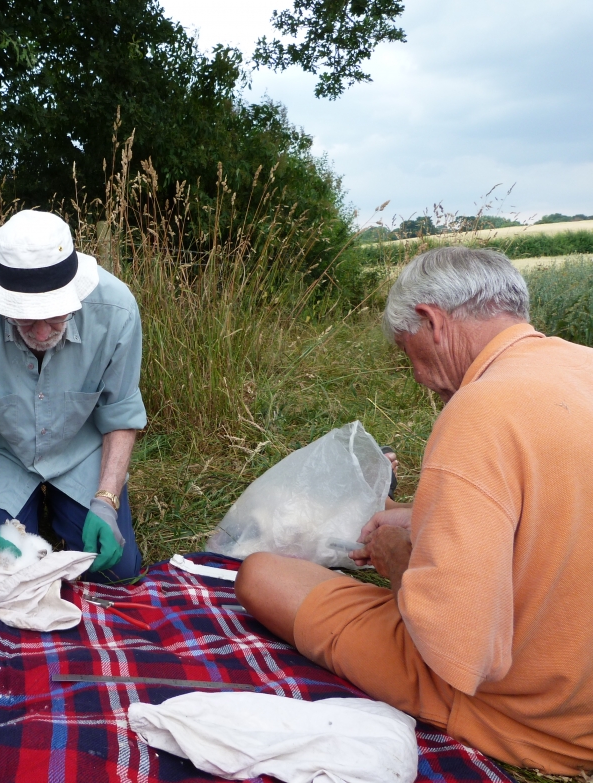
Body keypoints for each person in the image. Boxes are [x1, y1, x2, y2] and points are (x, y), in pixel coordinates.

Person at [234, 247, 593, 775]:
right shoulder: (580, 363)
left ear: (432, 321)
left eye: (409, 353)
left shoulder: (481, 408)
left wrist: (400, 560)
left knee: (262, 575)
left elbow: (461, 652)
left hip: (535, 716)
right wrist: (423, 514)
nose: (420, 377)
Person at [0, 210, 147, 583]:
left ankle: (73, 509)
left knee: (117, 571)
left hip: (81, 449)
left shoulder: (116, 309)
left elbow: (120, 414)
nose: (43, 333)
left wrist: (106, 500)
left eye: (56, 315)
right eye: (25, 318)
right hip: (2, 450)